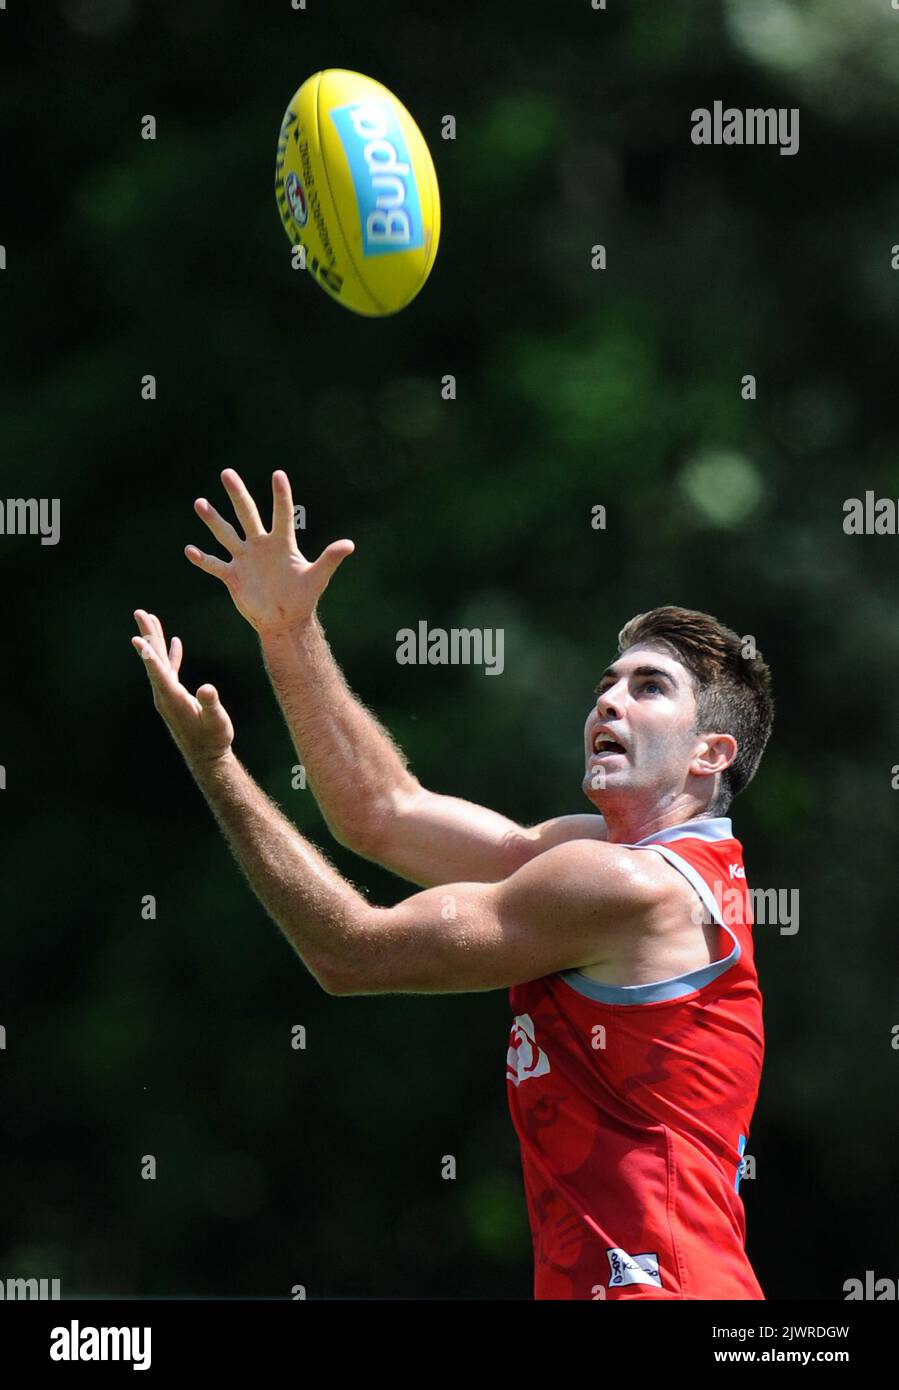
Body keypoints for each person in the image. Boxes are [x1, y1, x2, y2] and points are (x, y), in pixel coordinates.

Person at [131, 468, 774, 1300]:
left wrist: (214, 766)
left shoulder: (624, 886)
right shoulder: (616, 860)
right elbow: (381, 811)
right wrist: (287, 632)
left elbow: (350, 954)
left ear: (709, 754)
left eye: (648, 688)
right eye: (605, 685)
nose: (607, 703)